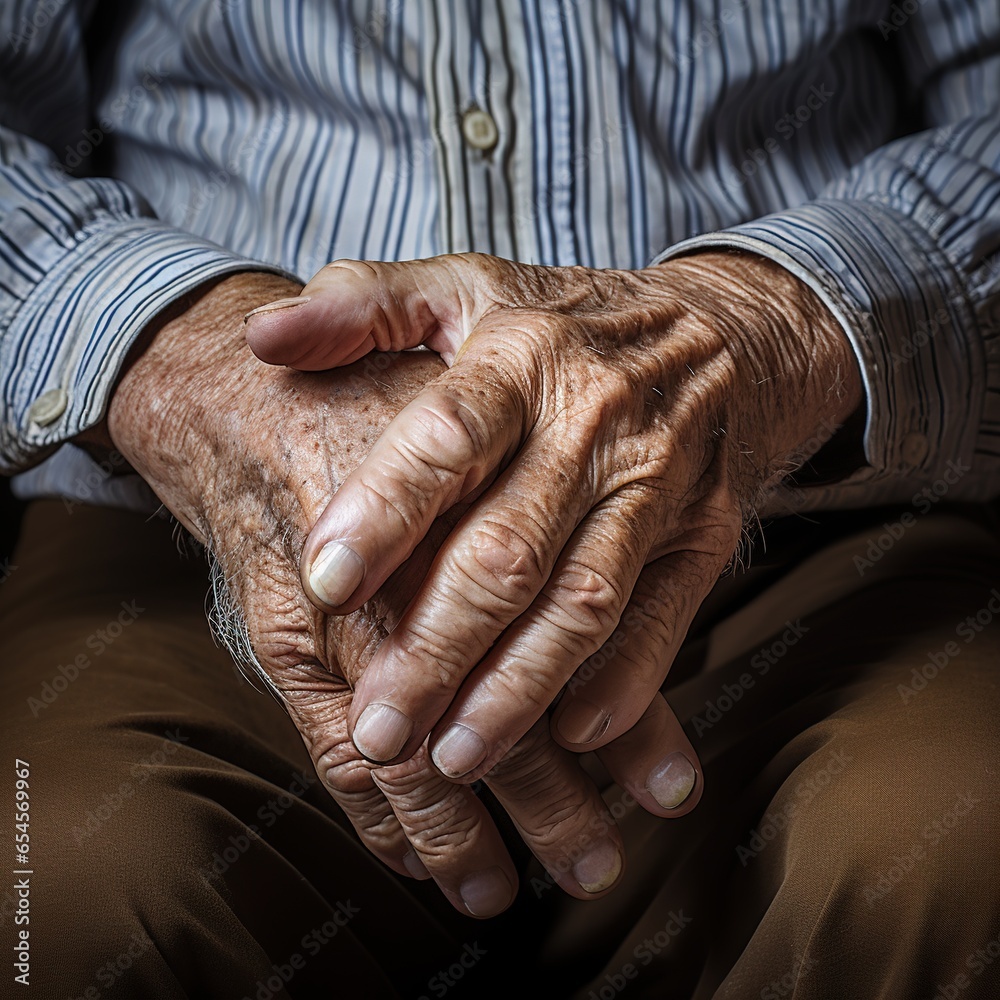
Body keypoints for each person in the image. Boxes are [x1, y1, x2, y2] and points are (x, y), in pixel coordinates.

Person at [2, 2, 999, 998]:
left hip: (803, 499)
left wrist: (773, 328)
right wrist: (192, 368)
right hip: (182, 535)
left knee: (951, 846)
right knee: (61, 890)